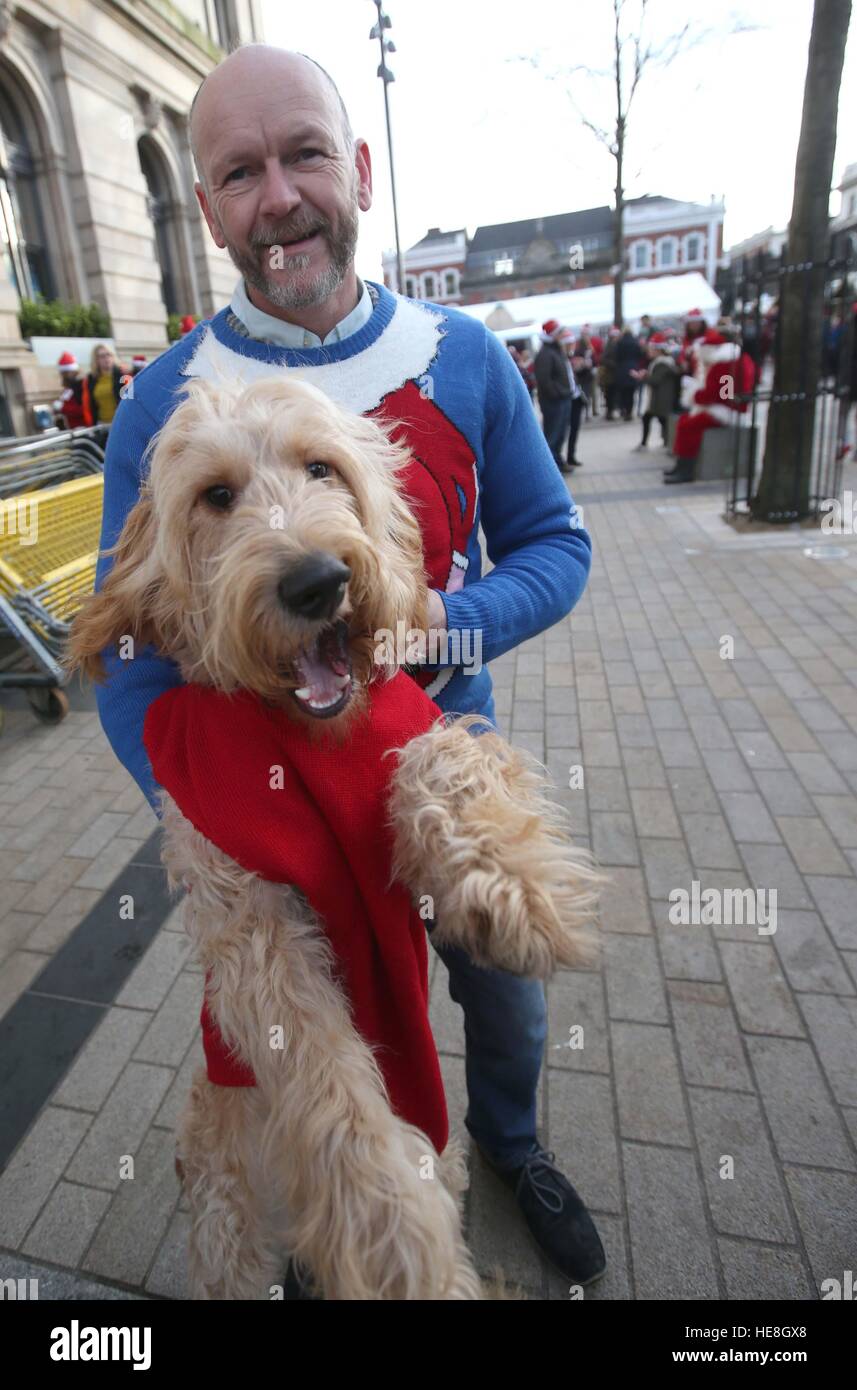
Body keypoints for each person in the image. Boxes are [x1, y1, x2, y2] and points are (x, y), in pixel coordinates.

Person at [91, 44, 602, 1286]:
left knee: (507, 999)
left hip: (437, 758)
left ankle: (515, 1147)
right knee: (310, 1040)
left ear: (358, 170)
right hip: (266, 803)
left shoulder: (463, 355)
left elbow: (556, 543)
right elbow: (124, 640)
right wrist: (220, 822)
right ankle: (354, 1226)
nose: (279, 197)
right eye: (240, 172)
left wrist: (435, 632)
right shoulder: (161, 402)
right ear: (208, 209)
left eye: (305, 153)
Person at [665, 325, 756, 483]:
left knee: (688, 425)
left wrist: (695, 396)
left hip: (726, 411)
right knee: (685, 421)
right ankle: (681, 464)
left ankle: (686, 469)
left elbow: (720, 394)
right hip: (728, 407)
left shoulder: (724, 365)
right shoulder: (736, 360)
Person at [534, 318, 574, 473]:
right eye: (559, 333)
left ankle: (557, 462)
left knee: (559, 434)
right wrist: (558, 393)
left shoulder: (555, 351)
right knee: (553, 435)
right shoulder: (546, 354)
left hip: (561, 399)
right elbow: (544, 380)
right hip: (554, 402)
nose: (562, 335)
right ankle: (550, 468)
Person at [631, 334, 679, 451]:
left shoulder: (662, 363)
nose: (649, 351)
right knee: (659, 420)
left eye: (651, 349)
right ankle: (666, 442)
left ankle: (664, 442)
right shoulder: (662, 362)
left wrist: (641, 377)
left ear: (657, 350)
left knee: (658, 420)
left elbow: (655, 380)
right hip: (660, 398)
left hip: (661, 399)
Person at [560, 329, 585, 468]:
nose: (572, 347)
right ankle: (562, 459)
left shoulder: (567, 358)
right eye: (570, 344)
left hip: (574, 397)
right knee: (562, 431)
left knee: (574, 429)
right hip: (566, 398)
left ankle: (571, 456)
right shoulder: (558, 357)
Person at [86, 344, 126, 425]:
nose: (106, 358)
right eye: (102, 356)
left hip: (121, 422)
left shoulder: (122, 374)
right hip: (101, 424)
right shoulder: (91, 379)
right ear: (96, 360)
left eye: (109, 354)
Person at [53, 350, 90, 429]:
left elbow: (84, 408)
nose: (64, 376)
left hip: (83, 427)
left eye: (66, 373)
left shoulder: (81, 385)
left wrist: (62, 408)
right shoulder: (67, 388)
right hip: (71, 428)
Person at [614, 325, 643, 420]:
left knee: (623, 392)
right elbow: (640, 355)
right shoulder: (635, 342)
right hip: (633, 368)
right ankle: (629, 412)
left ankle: (623, 409)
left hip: (622, 369)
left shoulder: (620, 342)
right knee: (631, 392)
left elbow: (617, 356)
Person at [598, 326, 620, 418]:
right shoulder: (611, 345)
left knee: (610, 394)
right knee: (610, 394)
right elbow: (603, 359)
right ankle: (610, 412)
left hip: (611, 374)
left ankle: (610, 411)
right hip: (610, 374)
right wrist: (614, 364)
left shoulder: (611, 344)